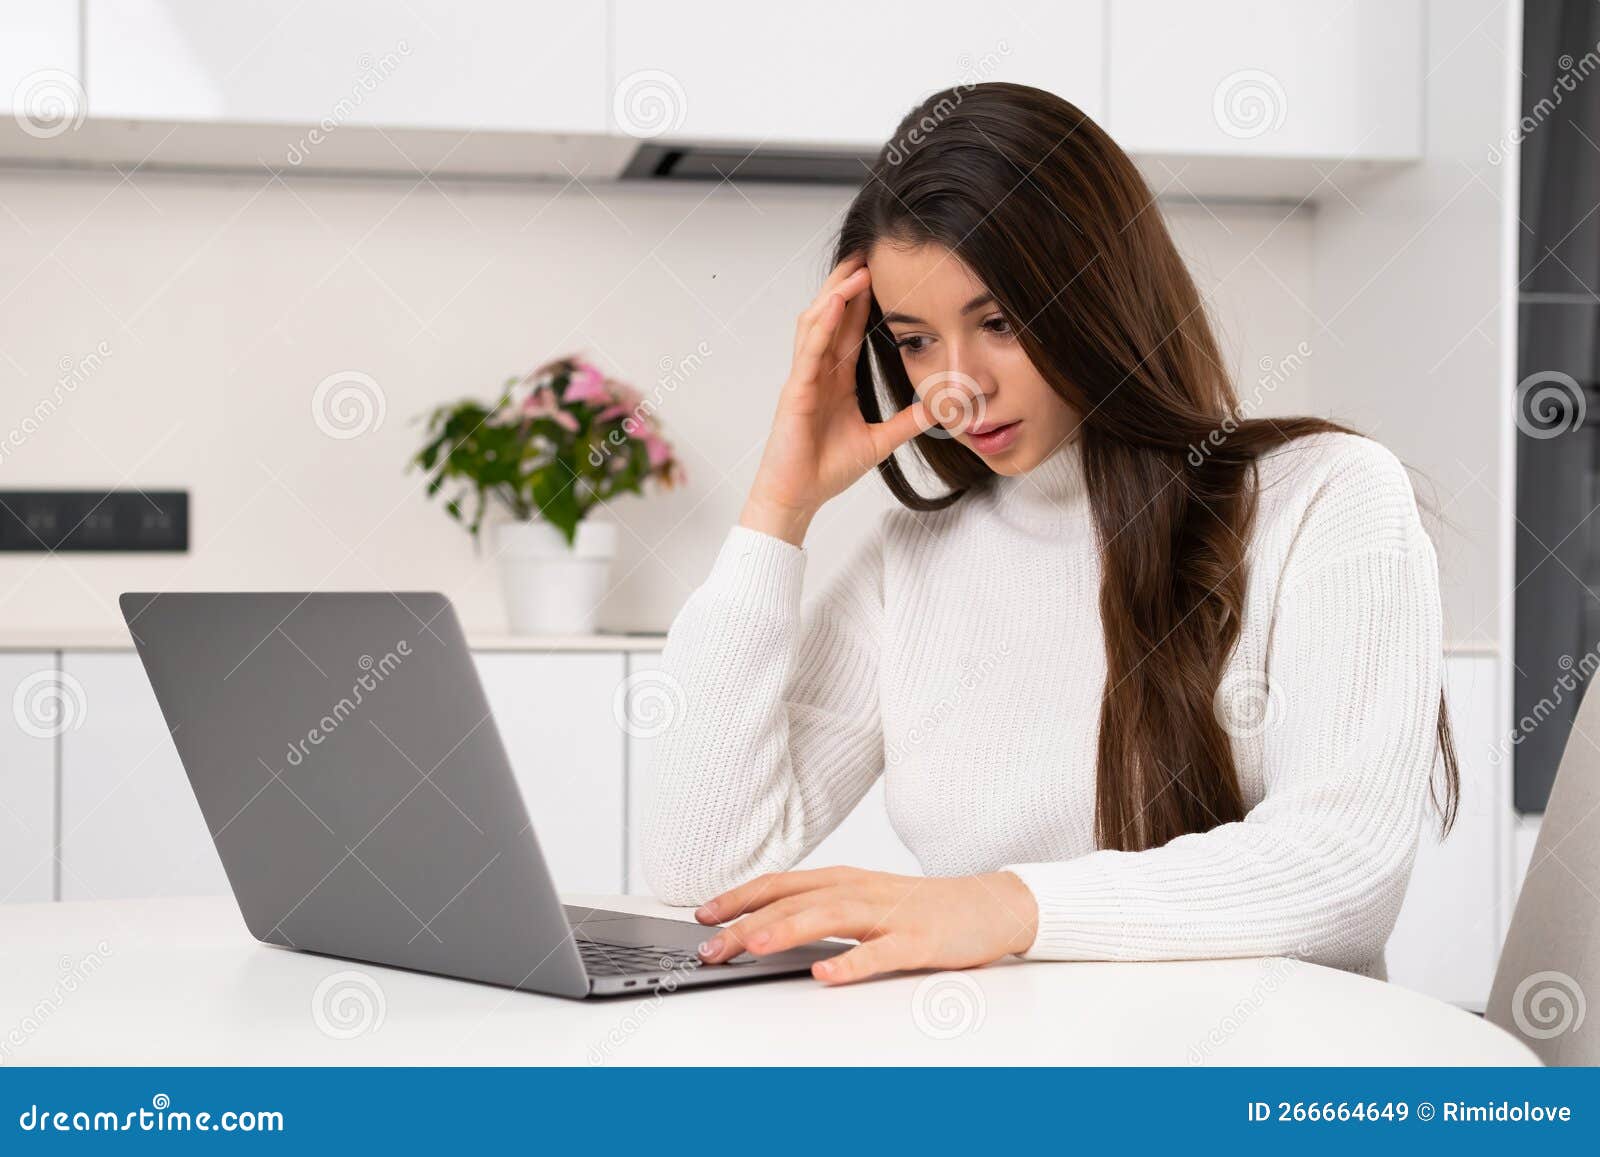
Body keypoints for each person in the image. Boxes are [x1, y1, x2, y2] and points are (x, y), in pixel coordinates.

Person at [641, 82, 1458, 986]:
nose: (958, 386)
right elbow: (701, 872)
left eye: (999, 322)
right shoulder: (909, 565)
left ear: (1102, 293)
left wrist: (1004, 905)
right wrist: (777, 509)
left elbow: (1344, 869)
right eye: (914, 341)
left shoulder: (1325, 498)